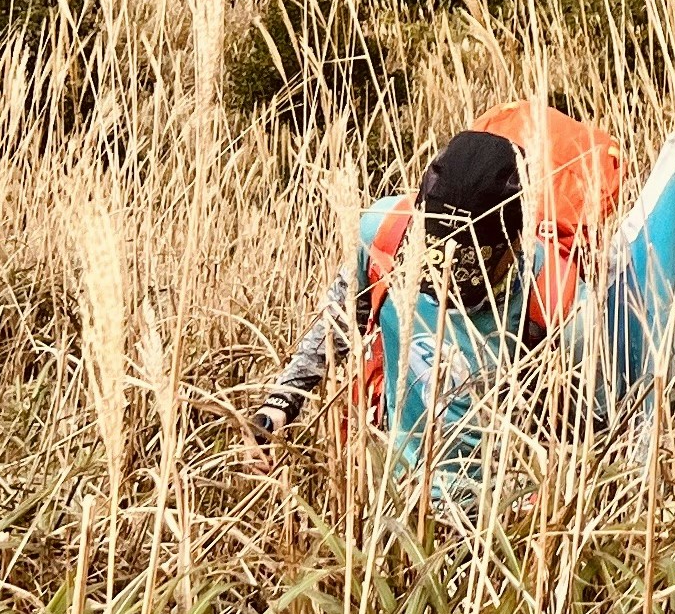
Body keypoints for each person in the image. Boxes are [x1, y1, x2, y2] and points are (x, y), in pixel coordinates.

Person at [252, 101, 625, 507]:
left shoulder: (559, 303)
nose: (447, 279)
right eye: (435, 254)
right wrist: (279, 405)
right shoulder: (385, 236)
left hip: (500, 521)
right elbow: (339, 324)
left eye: (470, 262)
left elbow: (594, 434)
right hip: (392, 496)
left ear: (517, 241)